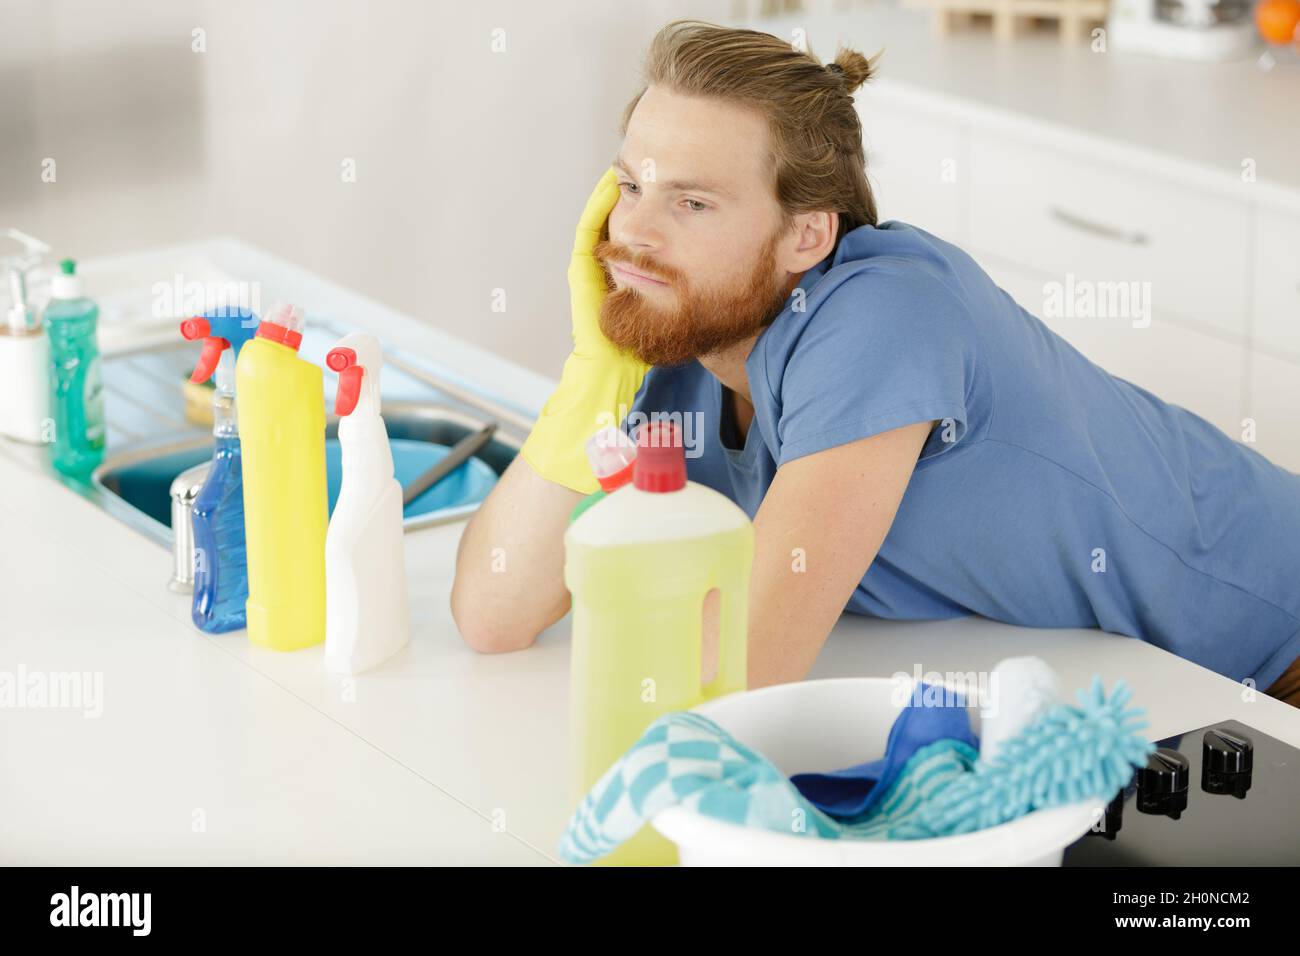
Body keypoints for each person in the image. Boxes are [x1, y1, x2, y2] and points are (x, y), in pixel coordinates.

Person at [451, 19, 1300, 707]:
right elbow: (494, 615)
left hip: (1274, 650)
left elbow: (732, 675)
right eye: (630, 185)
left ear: (806, 235)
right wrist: (591, 372)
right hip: (1148, 690)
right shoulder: (680, 334)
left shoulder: (883, 316)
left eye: (693, 201)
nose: (633, 234)